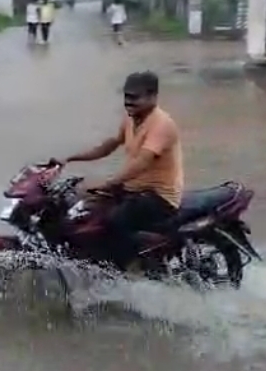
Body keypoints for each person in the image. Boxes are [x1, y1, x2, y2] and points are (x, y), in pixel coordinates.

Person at [60, 71, 183, 271]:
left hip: (159, 196)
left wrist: (109, 183)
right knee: (82, 207)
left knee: (113, 221)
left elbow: (142, 161)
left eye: (135, 97)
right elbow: (110, 145)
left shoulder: (162, 124)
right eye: (126, 97)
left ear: (153, 97)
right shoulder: (131, 118)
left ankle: (123, 270)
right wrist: (70, 158)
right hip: (133, 189)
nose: (128, 102)